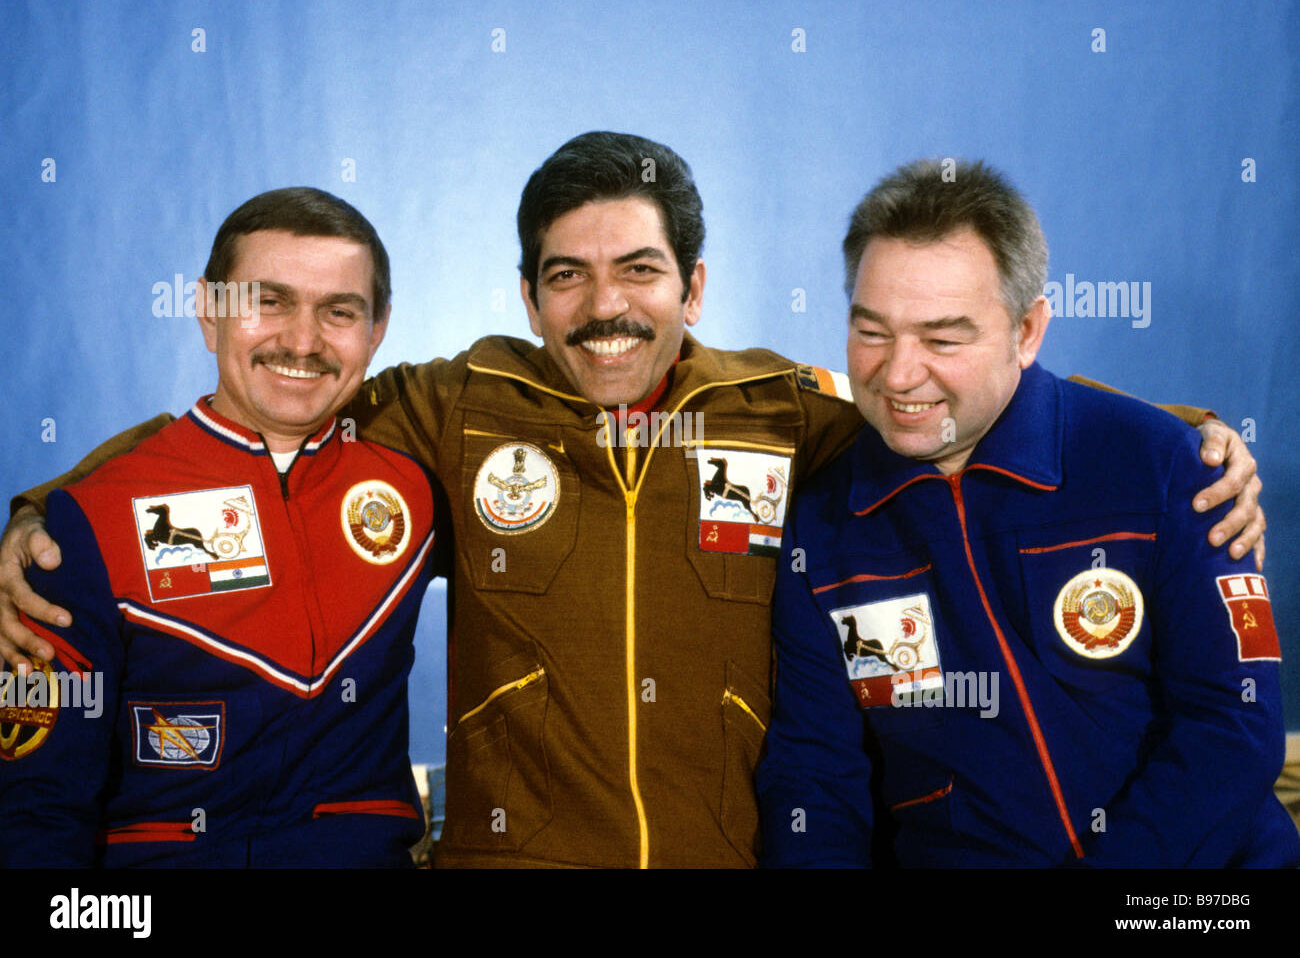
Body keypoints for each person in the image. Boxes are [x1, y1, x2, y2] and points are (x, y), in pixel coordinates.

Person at [0, 134, 1264, 868]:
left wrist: (1179, 439)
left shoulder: (784, 409)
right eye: (568, 275)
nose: (605, 306)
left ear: (695, 284)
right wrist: (45, 511)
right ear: (529, 290)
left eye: (639, 269)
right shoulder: (451, 408)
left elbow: (939, 386)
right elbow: (257, 423)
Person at [756, 159, 1297, 867]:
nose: (898, 373)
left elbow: (1234, 724)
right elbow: (817, 780)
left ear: (1028, 329)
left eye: (943, 339)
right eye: (872, 332)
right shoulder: (821, 530)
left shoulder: (1166, 465)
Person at [0, 188, 437, 866]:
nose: (302, 340)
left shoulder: (417, 487)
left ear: (377, 328)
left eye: (339, 311)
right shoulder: (81, 526)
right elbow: (32, 808)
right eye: (269, 302)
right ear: (208, 312)